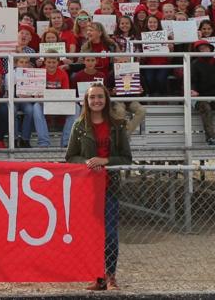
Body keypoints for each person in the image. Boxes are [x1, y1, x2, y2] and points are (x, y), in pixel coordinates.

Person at [65, 82, 132, 291]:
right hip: (88, 190)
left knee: (110, 234)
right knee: (92, 235)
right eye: (92, 97)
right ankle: (97, 277)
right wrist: (86, 162)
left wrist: (105, 161)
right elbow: (70, 157)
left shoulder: (118, 125)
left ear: (106, 100)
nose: (96, 101)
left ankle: (110, 276)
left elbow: (127, 158)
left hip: (110, 188)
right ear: (86, 101)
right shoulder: (79, 126)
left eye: (100, 97)